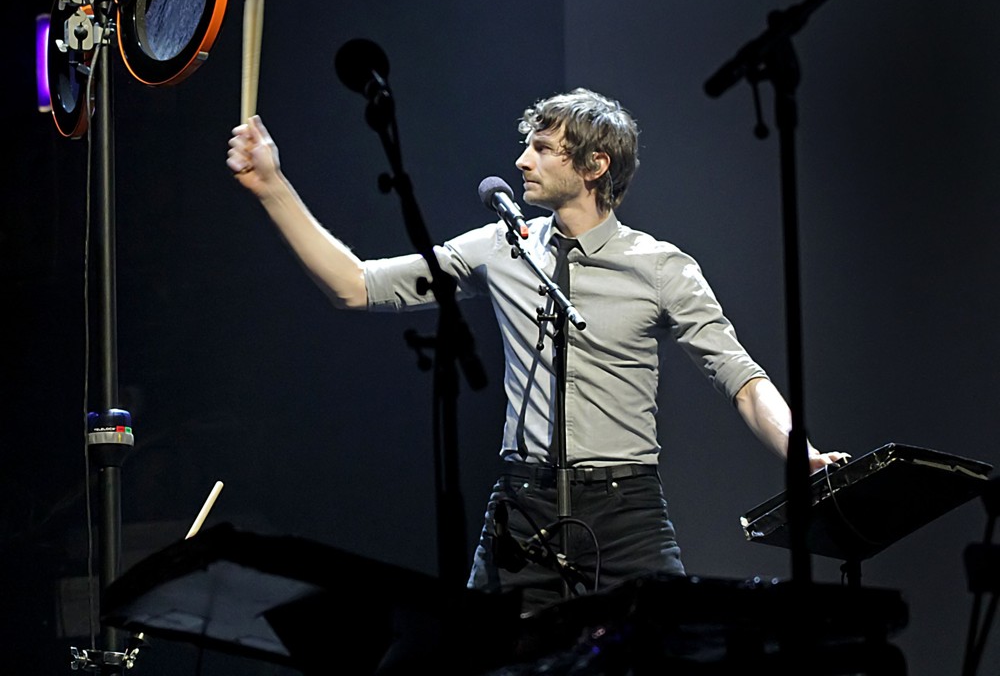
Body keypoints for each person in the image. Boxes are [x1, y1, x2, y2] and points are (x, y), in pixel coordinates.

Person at [226, 87, 849, 617]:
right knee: (478, 660)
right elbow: (356, 285)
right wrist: (272, 186)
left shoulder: (660, 267)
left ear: (594, 164)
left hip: (625, 510)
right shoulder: (502, 247)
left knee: (667, 656)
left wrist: (802, 454)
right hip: (522, 510)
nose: (522, 161)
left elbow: (739, 375)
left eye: (543, 149)